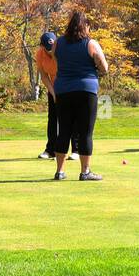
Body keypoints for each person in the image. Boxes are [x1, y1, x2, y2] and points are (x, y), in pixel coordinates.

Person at [52, 10, 109, 182]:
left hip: (63, 90)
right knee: (85, 132)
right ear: (86, 26)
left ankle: (60, 171)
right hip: (86, 90)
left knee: (64, 130)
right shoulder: (91, 43)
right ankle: (85, 172)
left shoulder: (58, 43)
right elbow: (104, 67)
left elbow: (56, 62)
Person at [35, 30, 64, 161]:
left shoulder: (63, 51)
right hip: (52, 85)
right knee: (52, 118)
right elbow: (43, 76)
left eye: (52, 47)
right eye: (47, 48)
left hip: (68, 85)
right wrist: (53, 93)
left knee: (70, 118)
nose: (50, 50)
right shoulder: (40, 54)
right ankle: (50, 150)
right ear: (42, 46)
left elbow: (64, 71)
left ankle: (76, 150)